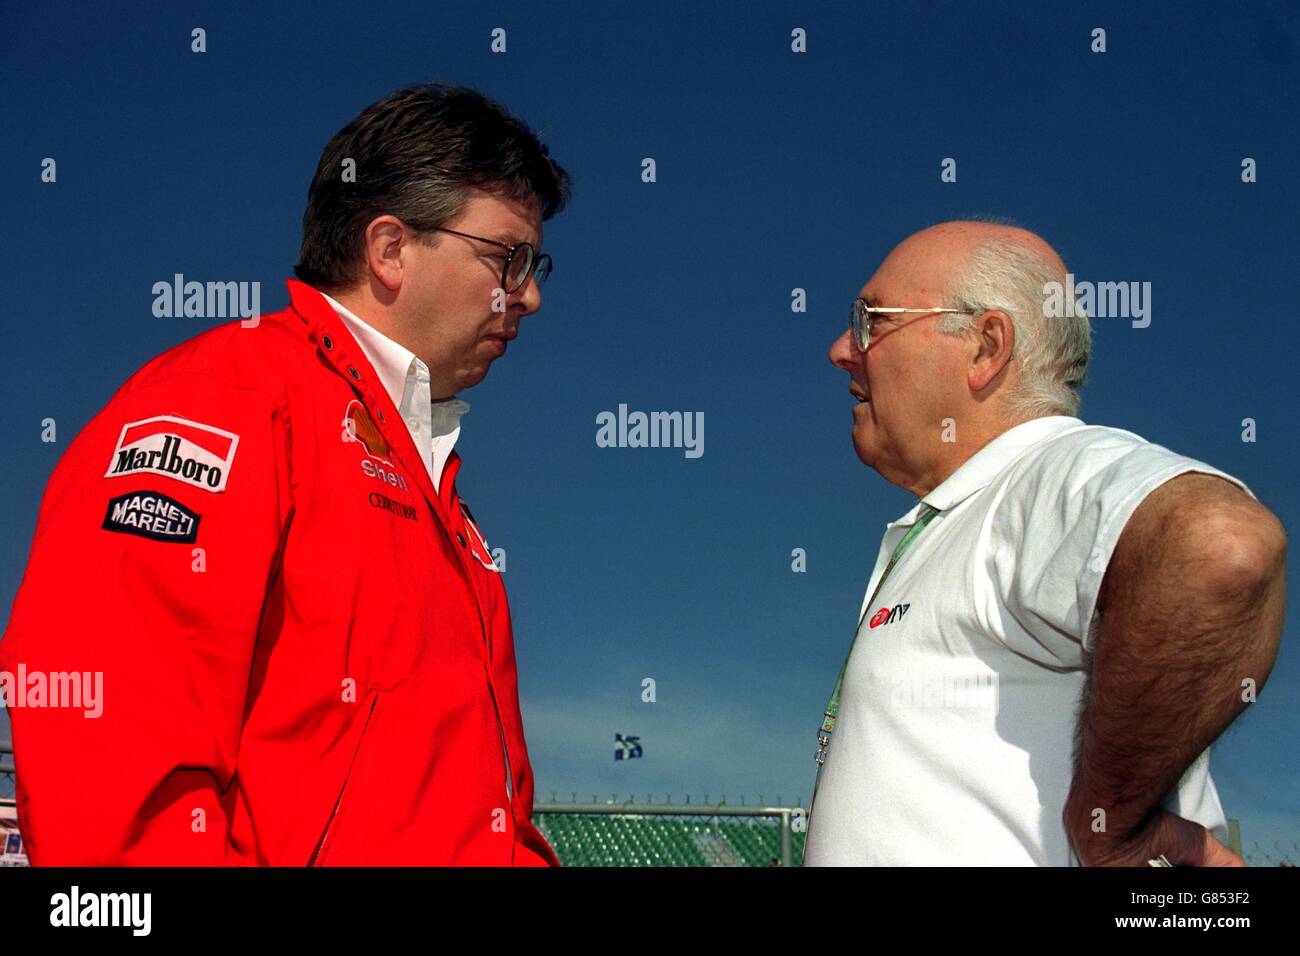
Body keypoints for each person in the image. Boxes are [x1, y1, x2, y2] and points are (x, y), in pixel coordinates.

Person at [0, 83, 572, 865]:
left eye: (535, 265)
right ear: (391, 249)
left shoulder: (454, 520)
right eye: (508, 258)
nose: (530, 295)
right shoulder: (225, 404)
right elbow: (110, 751)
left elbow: (490, 818)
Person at [804, 221, 1286, 866]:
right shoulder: (963, 514)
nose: (842, 349)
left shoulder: (1042, 474)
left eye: (872, 321)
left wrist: (1108, 831)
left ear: (985, 347)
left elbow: (1220, 544)